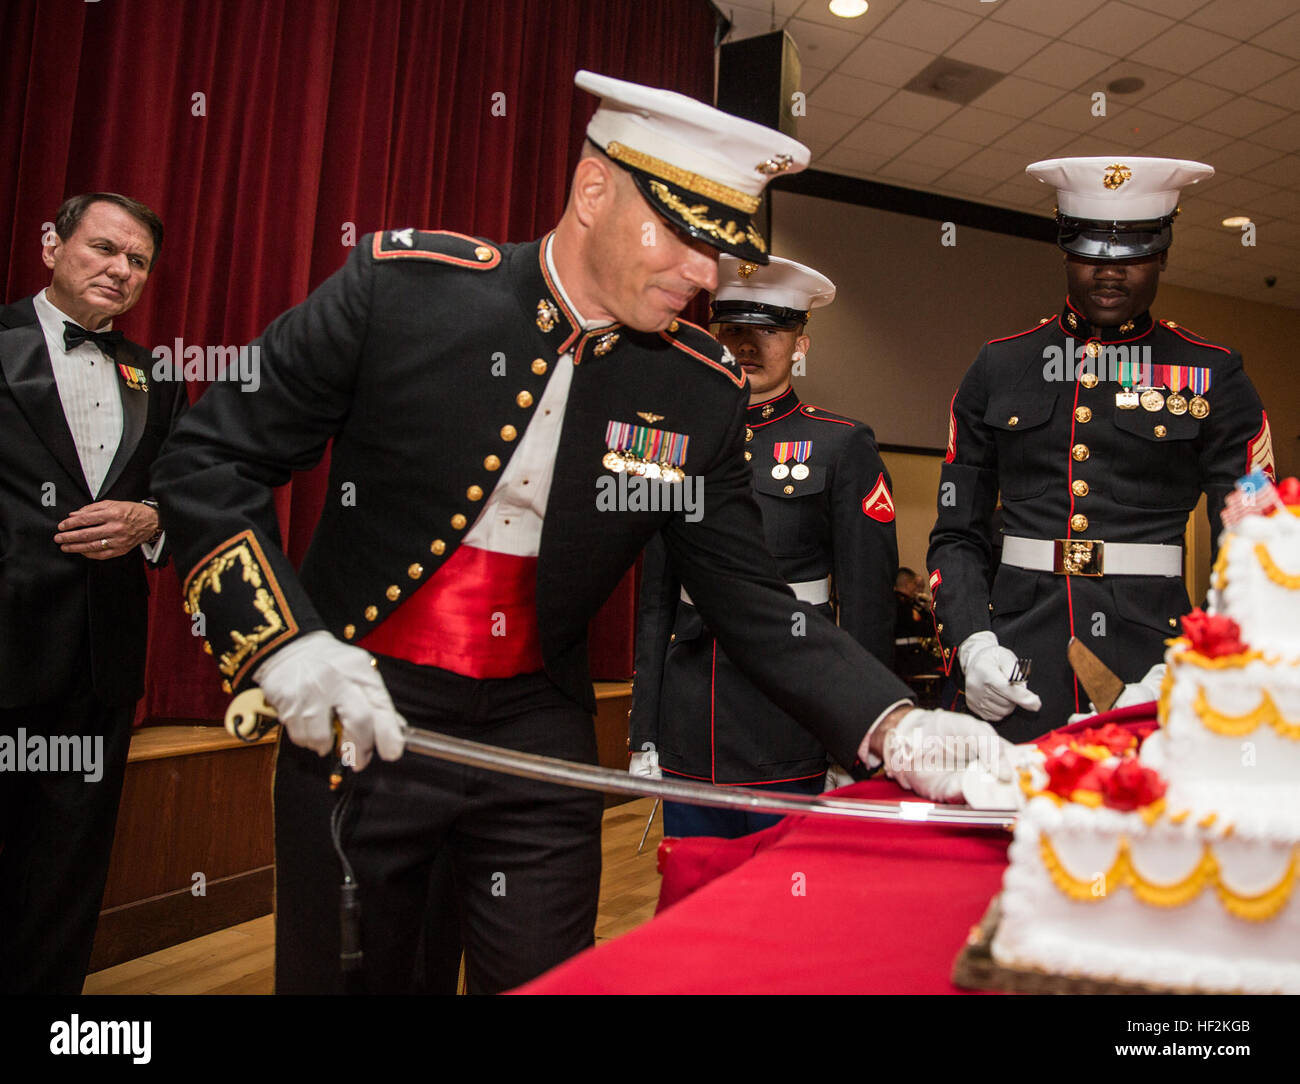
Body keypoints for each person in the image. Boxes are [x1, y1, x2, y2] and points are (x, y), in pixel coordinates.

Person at [153, 71, 1010, 995]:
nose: (704, 277)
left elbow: (752, 603)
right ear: (593, 190)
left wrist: (898, 725)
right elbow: (208, 463)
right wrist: (282, 643)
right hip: (361, 709)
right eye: (682, 235)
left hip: (537, 734)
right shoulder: (403, 294)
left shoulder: (698, 391)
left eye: (721, 251)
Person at [927, 156, 1273, 742]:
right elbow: (956, 531)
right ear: (1064, 249)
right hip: (1013, 657)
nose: (1109, 273)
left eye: (1133, 254)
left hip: (1154, 654)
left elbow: (1256, 542)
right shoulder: (1002, 364)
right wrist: (971, 642)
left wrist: (1197, 665)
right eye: (1090, 252)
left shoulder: (1213, 373)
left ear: (1163, 253)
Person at [629, 255, 898, 837]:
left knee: (783, 907)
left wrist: (855, 737)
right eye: (731, 328)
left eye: (770, 328)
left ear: (800, 340)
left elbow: (866, 608)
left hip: (790, 720)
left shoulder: (841, 445)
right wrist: (644, 730)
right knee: (689, 899)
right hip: (691, 719)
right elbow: (655, 600)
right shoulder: (676, 441)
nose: (748, 344)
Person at [0, 193, 186, 994]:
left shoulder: (159, 376)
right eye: (103, 248)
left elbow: (184, 493)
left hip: (99, 665)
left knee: (67, 872)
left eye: (137, 261)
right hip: (5, 649)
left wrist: (151, 517)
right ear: (51, 244)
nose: (119, 270)